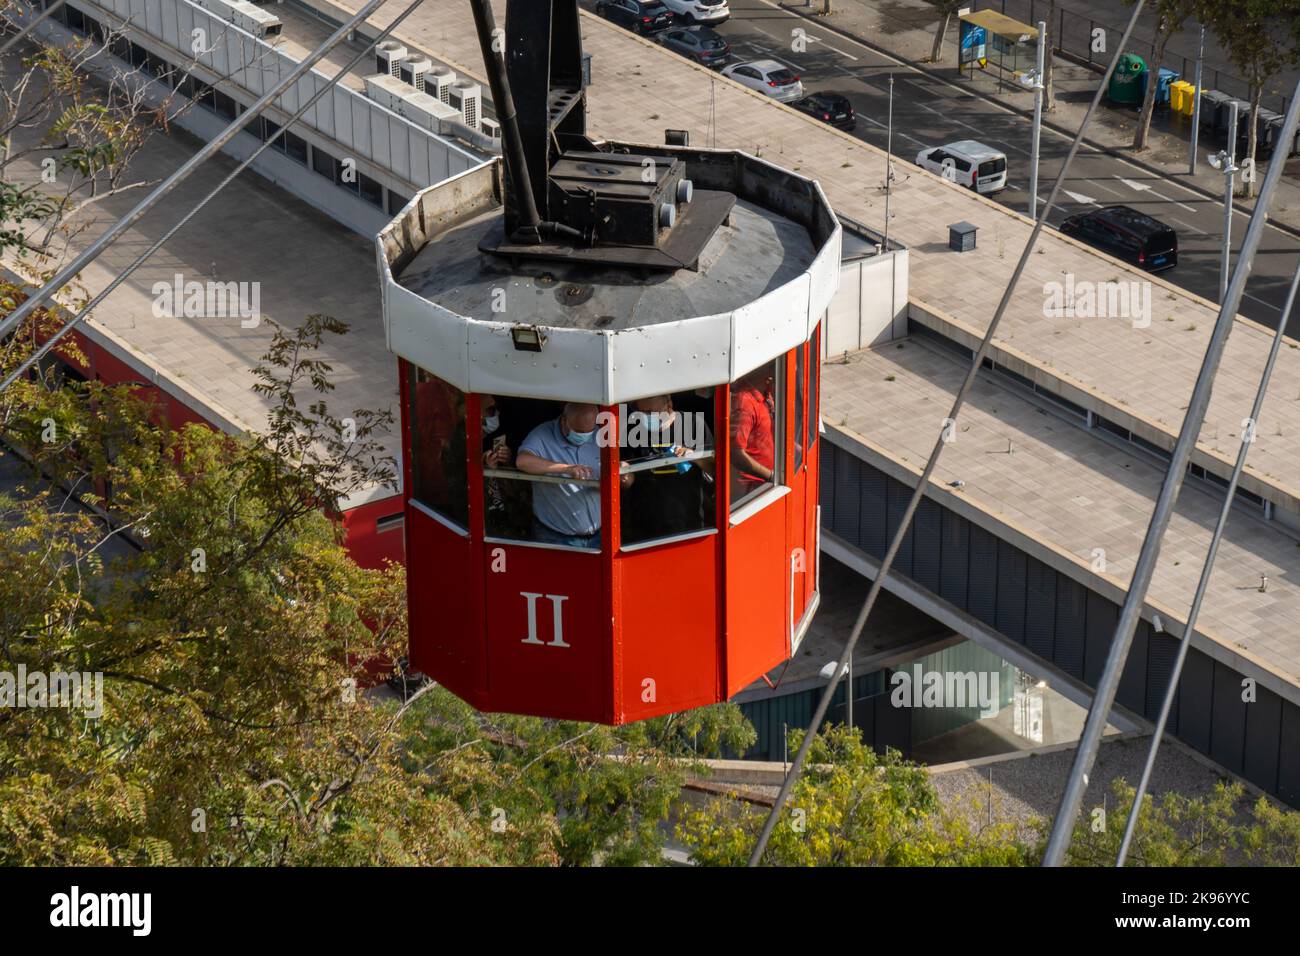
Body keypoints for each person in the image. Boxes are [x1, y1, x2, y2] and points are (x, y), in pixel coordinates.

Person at [621, 394, 714, 544]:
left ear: (669, 405)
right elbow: (626, 482)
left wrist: (695, 456)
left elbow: (716, 470)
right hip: (644, 527)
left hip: (688, 524)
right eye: (641, 411)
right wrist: (624, 474)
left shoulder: (693, 425)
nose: (646, 416)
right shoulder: (632, 430)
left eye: (651, 412)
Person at [516, 402, 604, 548]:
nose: (584, 437)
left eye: (589, 431)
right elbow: (523, 462)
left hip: (598, 536)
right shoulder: (542, 434)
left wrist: (623, 475)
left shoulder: (600, 435)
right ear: (564, 421)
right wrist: (567, 469)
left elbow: (620, 471)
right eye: (579, 431)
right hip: (555, 537)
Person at [730, 365, 775, 502]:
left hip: (764, 484)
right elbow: (736, 453)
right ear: (767, 377)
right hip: (750, 492)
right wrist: (772, 476)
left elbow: (767, 432)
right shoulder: (745, 403)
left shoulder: (765, 394)